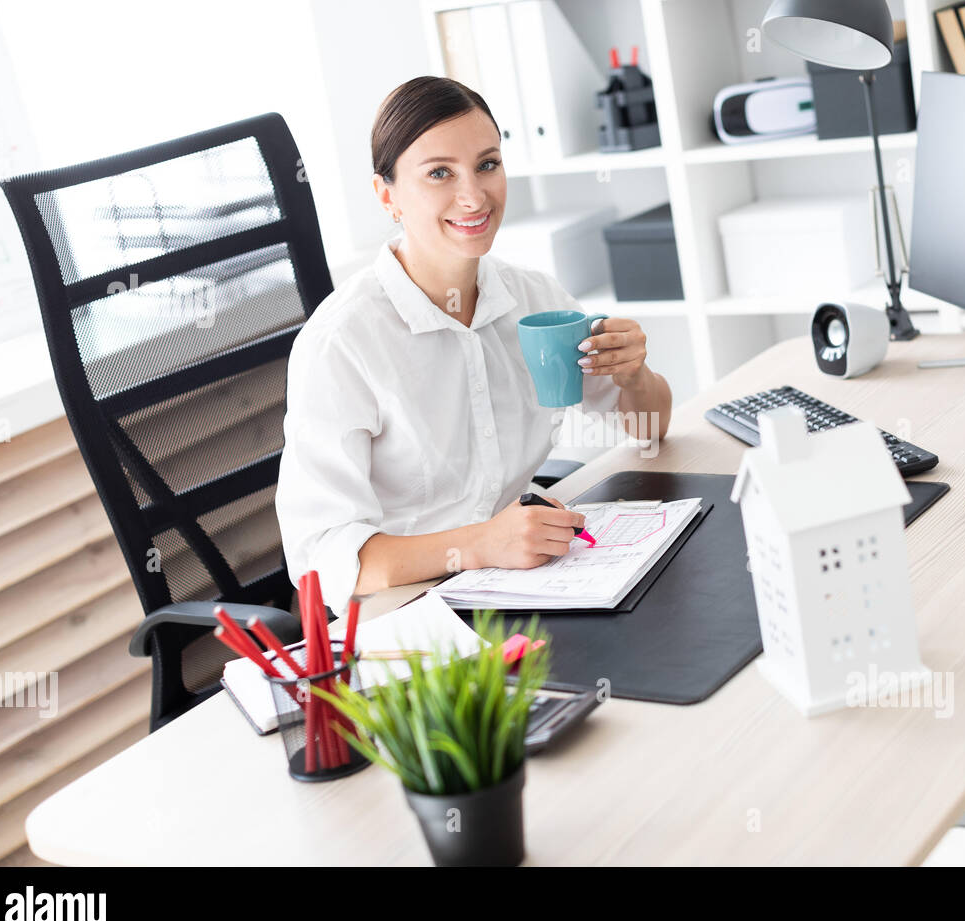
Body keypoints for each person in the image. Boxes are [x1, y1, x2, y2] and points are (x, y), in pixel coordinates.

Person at [276, 76, 673, 615]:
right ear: (386, 195)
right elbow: (319, 557)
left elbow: (647, 429)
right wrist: (482, 543)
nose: (474, 195)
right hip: (401, 611)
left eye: (487, 164)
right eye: (440, 173)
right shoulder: (343, 342)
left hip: (518, 582)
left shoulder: (534, 299)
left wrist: (635, 378)